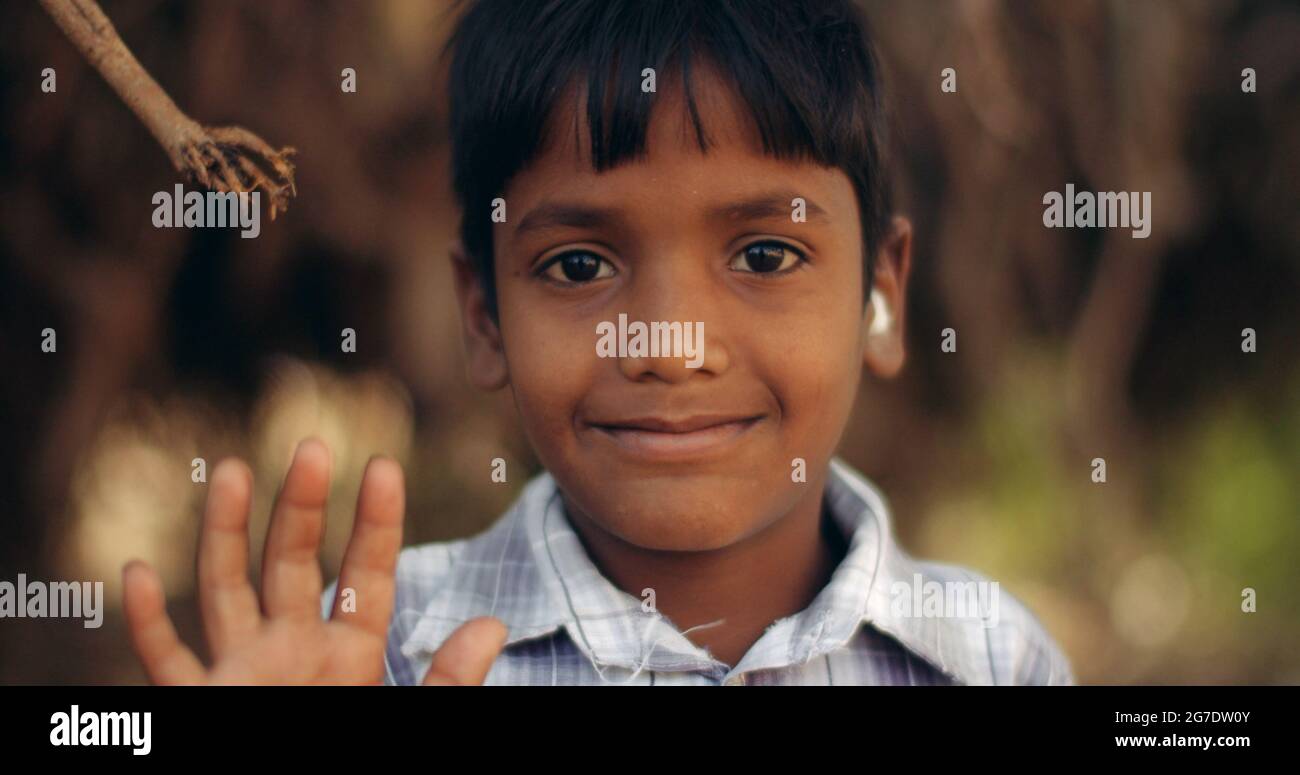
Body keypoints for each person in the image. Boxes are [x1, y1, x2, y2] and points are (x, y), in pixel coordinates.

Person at [122, 0, 1073, 686]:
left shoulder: (990, 657)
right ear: (484, 315)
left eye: (767, 253)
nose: (670, 344)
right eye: (580, 267)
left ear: (880, 294)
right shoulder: (386, 652)